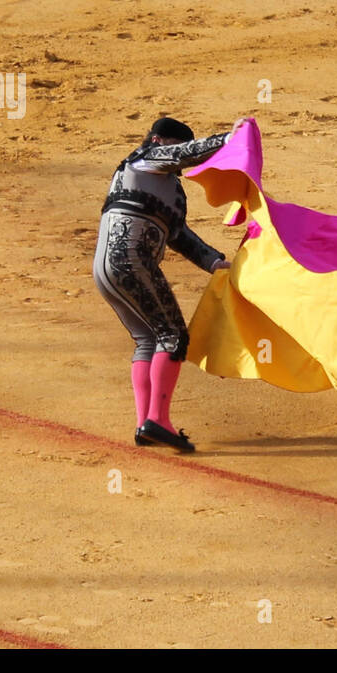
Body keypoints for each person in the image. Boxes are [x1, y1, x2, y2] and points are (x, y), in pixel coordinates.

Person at [92, 116, 245, 452]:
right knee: (173, 335)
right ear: (160, 140)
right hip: (131, 261)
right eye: (175, 147)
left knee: (147, 338)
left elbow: (178, 236)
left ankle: (145, 423)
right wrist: (226, 139)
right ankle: (158, 420)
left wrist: (212, 261)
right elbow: (184, 154)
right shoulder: (144, 158)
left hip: (106, 268)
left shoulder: (167, 187)